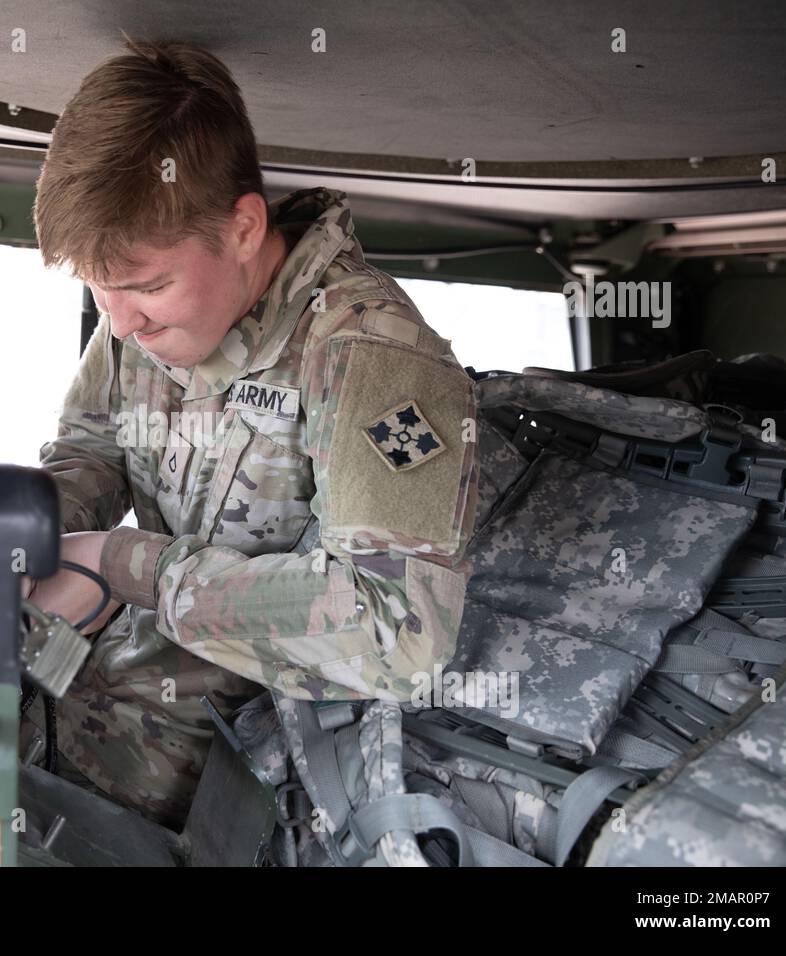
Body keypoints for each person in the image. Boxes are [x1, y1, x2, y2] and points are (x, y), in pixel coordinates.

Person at [24, 39, 480, 829]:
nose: (120, 322)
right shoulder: (136, 321)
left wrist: (126, 565)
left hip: (239, 783)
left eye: (147, 287)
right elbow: (92, 448)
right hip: (81, 712)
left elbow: (393, 632)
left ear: (242, 228)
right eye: (100, 292)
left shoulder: (370, 357)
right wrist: (22, 537)